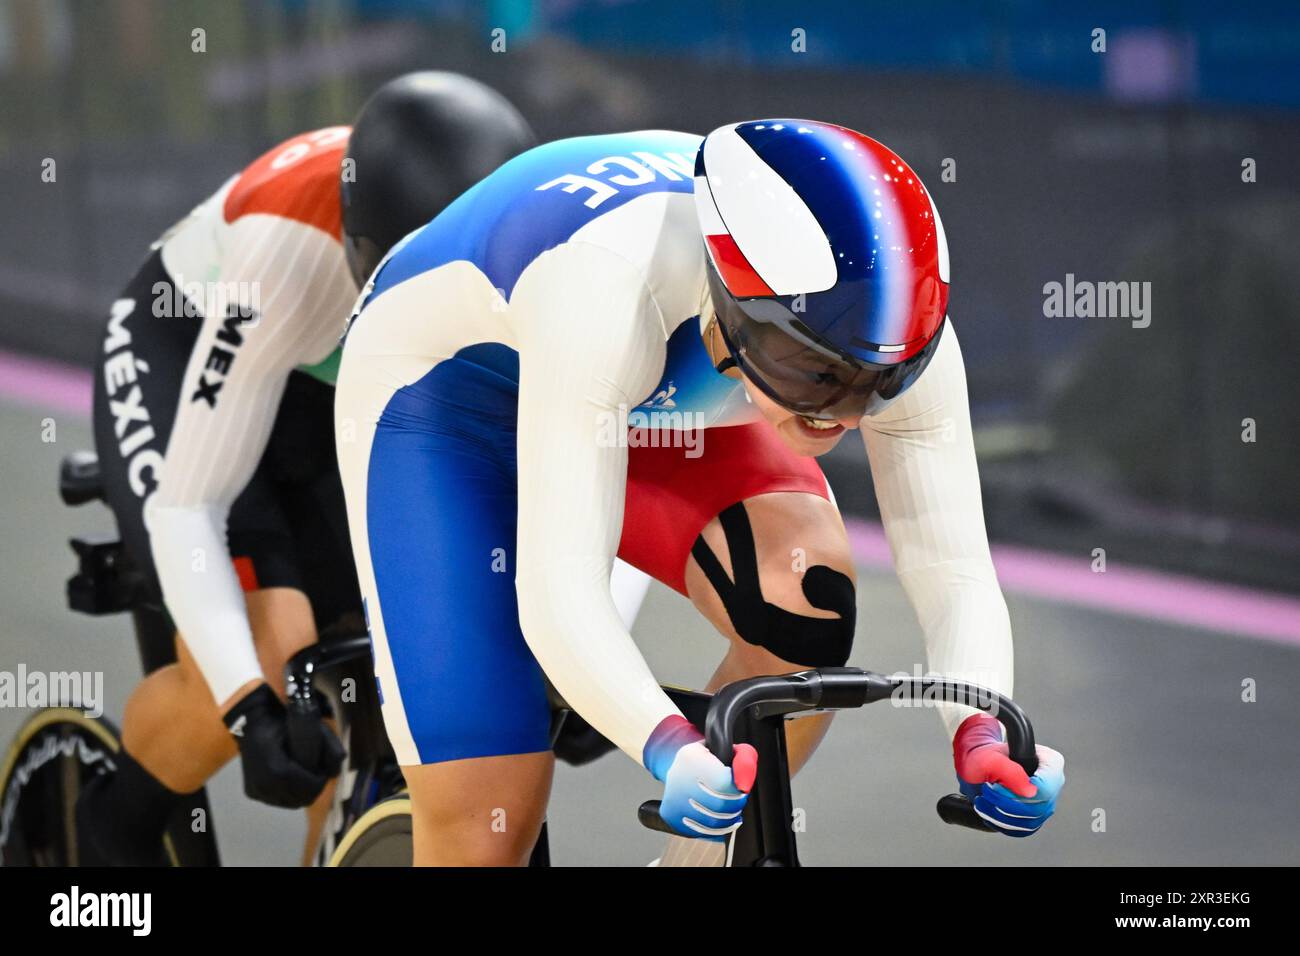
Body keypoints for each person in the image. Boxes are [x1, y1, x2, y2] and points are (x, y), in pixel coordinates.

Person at [334, 118, 1066, 866]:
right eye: (811, 370)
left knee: (802, 597)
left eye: (882, 384)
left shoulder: (894, 322)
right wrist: (667, 745)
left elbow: (955, 575)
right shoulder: (607, 282)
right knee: (487, 818)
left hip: (650, 392)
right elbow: (559, 595)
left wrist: (982, 728)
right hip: (443, 399)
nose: (844, 414)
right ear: (729, 302)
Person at [78, 72, 537, 865]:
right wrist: (251, 710)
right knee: (275, 654)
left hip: (330, 378)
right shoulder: (285, 250)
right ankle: (111, 832)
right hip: (192, 354)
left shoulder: (535, 239)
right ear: (364, 251)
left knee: (395, 646)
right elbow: (189, 506)